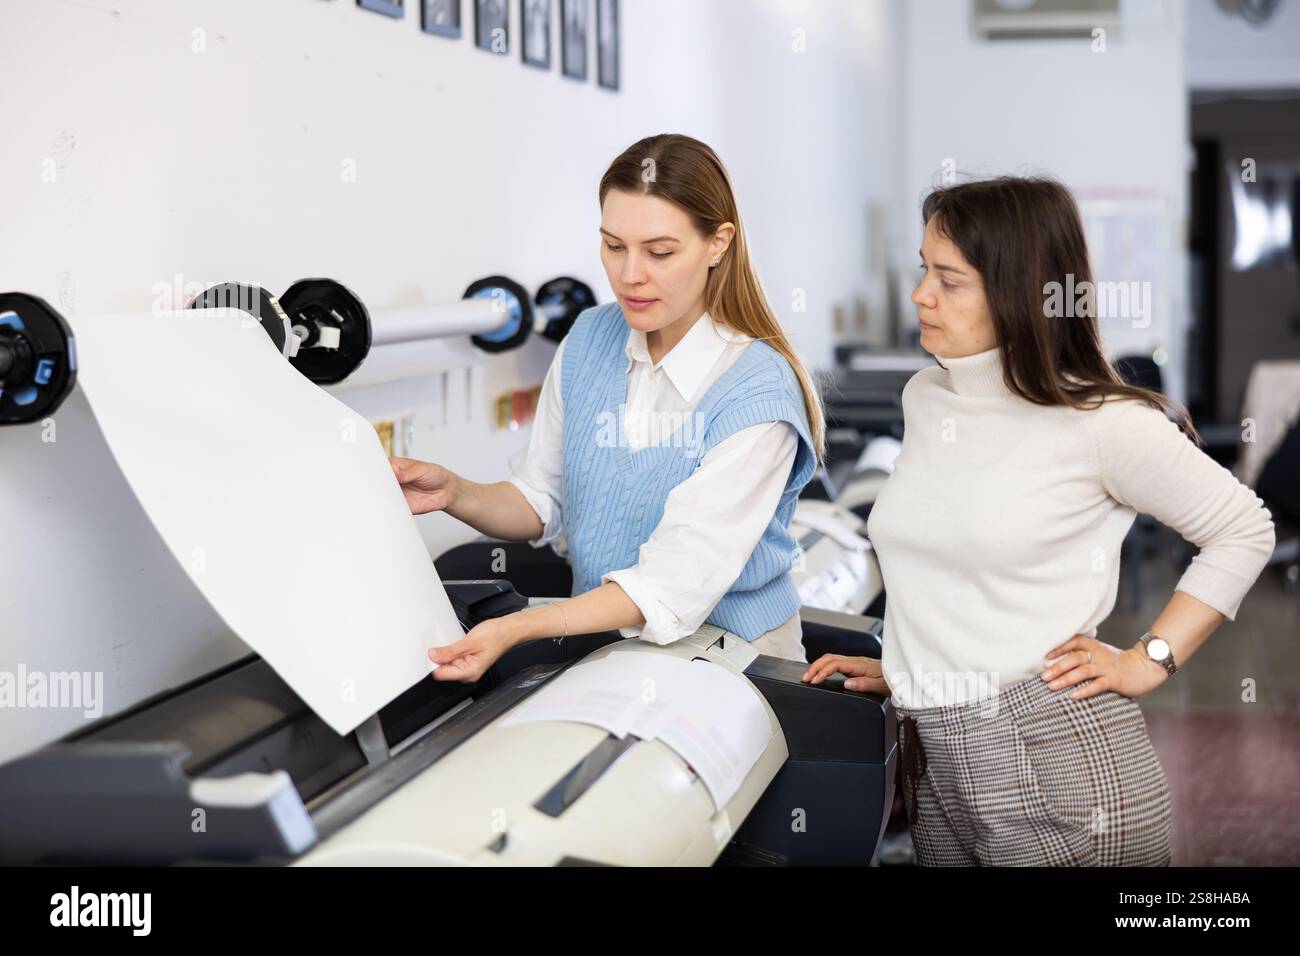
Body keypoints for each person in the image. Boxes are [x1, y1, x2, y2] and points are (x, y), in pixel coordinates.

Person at [803, 176, 1275, 866]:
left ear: (1017, 293)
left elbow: (1243, 528)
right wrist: (908, 666)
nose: (920, 296)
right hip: (934, 762)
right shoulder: (928, 394)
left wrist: (1152, 658)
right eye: (922, 270)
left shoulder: (1103, 423)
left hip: (1055, 759)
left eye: (948, 280)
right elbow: (948, 554)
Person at [392, 133, 825, 681]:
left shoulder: (757, 392)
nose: (629, 274)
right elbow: (539, 498)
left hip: (740, 665)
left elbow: (669, 583)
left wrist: (523, 626)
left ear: (718, 243)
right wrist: (454, 492)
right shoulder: (589, 338)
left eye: (659, 252)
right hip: (608, 653)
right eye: (613, 246)